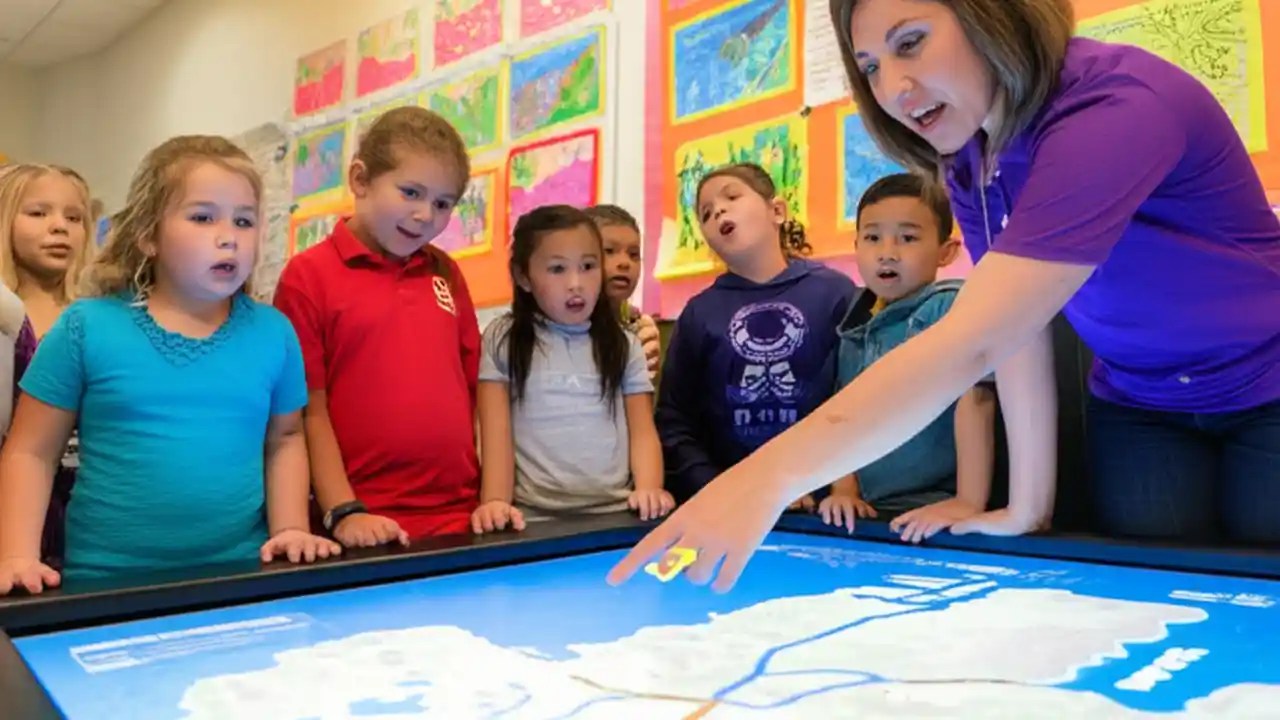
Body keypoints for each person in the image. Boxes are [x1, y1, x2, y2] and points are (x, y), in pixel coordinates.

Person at [608, 0, 1280, 592]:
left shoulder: (1113, 106)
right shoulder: (971, 158)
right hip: (1139, 398)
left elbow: (973, 340)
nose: (893, 88)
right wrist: (1024, 510)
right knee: (1157, 560)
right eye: (869, 66)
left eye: (910, 43)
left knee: (1261, 537)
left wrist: (761, 480)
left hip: (1266, 376)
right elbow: (1015, 327)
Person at [0, 136, 340, 593]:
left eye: (244, 221)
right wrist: (17, 556)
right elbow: (31, 451)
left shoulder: (273, 333)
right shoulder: (87, 326)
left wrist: (290, 529)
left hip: (240, 575)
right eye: (203, 217)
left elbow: (285, 439)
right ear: (148, 235)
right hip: (105, 584)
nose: (228, 236)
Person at [274, 107, 482, 548]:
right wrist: (343, 510)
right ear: (360, 180)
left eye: (443, 204)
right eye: (410, 192)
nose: (426, 215)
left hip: (461, 516)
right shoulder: (308, 276)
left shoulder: (445, 272)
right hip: (365, 519)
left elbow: (476, 390)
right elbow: (308, 408)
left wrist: (494, 495)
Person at [655, 162, 857, 504]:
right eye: (706, 213)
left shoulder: (834, 292)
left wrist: (836, 486)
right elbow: (675, 419)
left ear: (776, 210)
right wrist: (720, 488)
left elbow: (857, 393)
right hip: (734, 501)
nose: (718, 209)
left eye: (731, 196)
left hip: (827, 502)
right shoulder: (699, 313)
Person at [470, 205, 671, 533]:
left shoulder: (624, 344)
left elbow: (643, 430)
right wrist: (494, 500)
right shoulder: (503, 339)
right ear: (523, 276)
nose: (576, 283)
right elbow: (496, 431)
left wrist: (649, 487)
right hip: (532, 519)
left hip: (616, 514)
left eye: (588, 266)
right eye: (557, 269)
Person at [825, 173, 996, 542]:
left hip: (937, 504)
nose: (887, 252)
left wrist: (968, 500)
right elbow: (843, 413)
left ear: (946, 251)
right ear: (856, 246)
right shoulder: (854, 328)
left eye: (908, 237)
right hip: (872, 509)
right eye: (872, 238)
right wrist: (843, 490)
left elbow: (976, 400)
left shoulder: (949, 307)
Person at [0, 164, 93, 568]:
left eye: (73, 218)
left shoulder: (98, 317)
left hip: (84, 507)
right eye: (38, 213)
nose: (59, 227)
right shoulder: (5, 319)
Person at [583, 204, 662, 377]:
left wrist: (644, 367)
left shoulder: (636, 326)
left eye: (634, 254)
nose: (625, 263)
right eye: (609, 251)